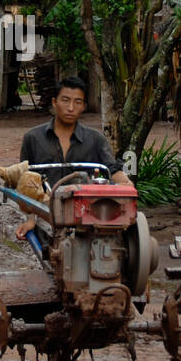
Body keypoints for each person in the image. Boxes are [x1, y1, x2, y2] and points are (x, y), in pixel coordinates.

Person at [14, 76, 130, 240]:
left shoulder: (96, 139)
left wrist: (125, 183)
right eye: (65, 100)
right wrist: (31, 220)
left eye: (77, 102)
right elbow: (27, 183)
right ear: (54, 102)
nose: (70, 108)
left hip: (87, 214)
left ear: (83, 106)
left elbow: (111, 169)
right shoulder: (33, 138)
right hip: (47, 214)